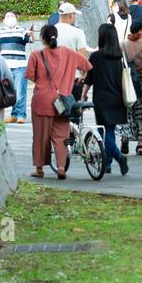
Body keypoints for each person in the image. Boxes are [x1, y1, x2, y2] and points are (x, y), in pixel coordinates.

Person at [26, 24, 91, 180]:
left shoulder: (36, 55)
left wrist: (42, 84)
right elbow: (87, 66)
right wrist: (78, 78)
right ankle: (61, 167)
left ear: (42, 39)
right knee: (61, 136)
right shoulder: (68, 53)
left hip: (41, 100)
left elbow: (29, 75)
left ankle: (40, 169)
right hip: (63, 101)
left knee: (40, 136)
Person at [85, 24, 132, 178]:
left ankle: (119, 158)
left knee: (104, 132)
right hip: (118, 98)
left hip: (102, 99)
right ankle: (108, 164)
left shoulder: (96, 57)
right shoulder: (119, 56)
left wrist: (83, 94)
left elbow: (89, 79)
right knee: (109, 131)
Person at [123, 19, 142, 156]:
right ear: (141, 31)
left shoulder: (122, 45)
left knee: (127, 111)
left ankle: (125, 138)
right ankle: (140, 144)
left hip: (126, 81)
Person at [0, 13, 31, 124]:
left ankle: (21, 115)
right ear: (4, 19)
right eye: (8, 16)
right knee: (10, 92)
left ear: (16, 19)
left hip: (20, 65)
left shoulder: (22, 30)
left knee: (20, 91)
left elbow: (30, 39)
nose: (10, 18)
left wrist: (31, 34)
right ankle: (14, 114)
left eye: (12, 16)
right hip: (5, 66)